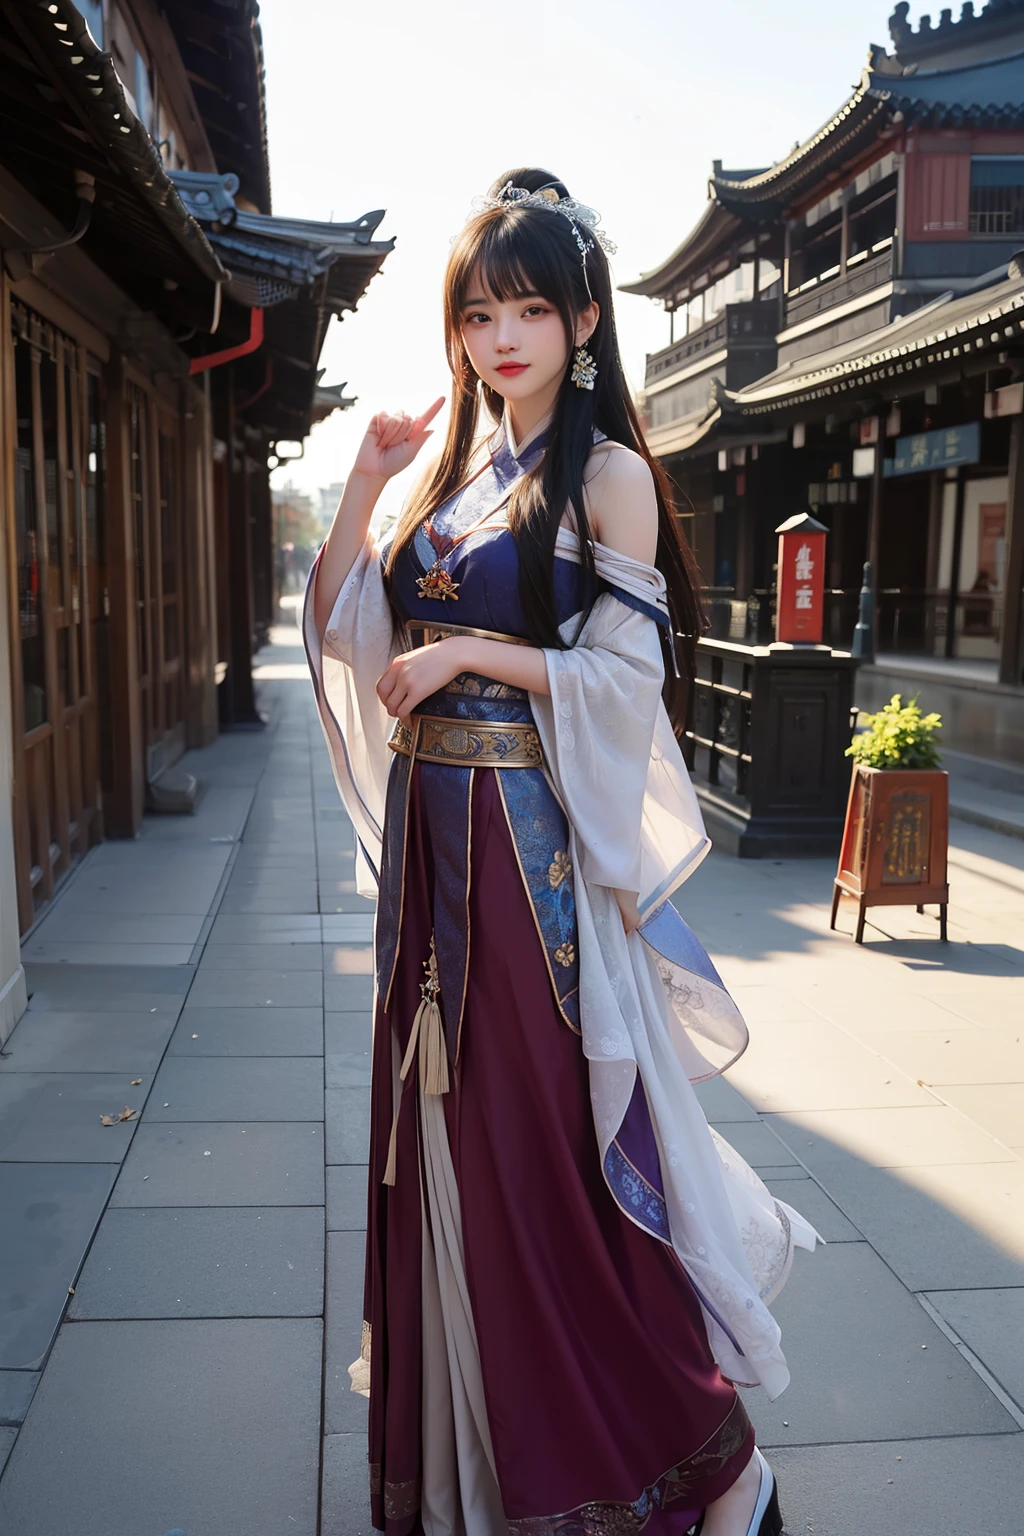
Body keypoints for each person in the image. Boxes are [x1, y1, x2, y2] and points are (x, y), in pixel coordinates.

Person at [304, 168, 822, 1536]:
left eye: (532, 307)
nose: (504, 338)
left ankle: (712, 1468)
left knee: (547, 1168)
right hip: (431, 862)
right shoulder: (442, 469)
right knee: (443, 1154)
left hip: (528, 871)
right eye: (480, 314)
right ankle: (483, 1468)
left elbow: (624, 681)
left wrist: (474, 647)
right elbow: (346, 630)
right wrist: (363, 487)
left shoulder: (605, 478)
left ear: (584, 317)